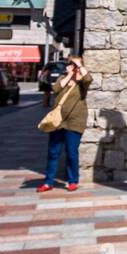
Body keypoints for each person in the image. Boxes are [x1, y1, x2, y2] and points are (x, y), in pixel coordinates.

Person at [38, 55, 91, 193]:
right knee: (53, 152)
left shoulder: (82, 83)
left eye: (74, 64)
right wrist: (69, 74)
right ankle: (48, 182)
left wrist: (79, 66)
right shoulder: (63, 79)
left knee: (71, 152)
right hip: (58, 121)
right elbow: (55, 89)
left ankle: (73, 181)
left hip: (74, 122)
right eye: (71, 64)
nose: (71, 66)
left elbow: (89, 79)